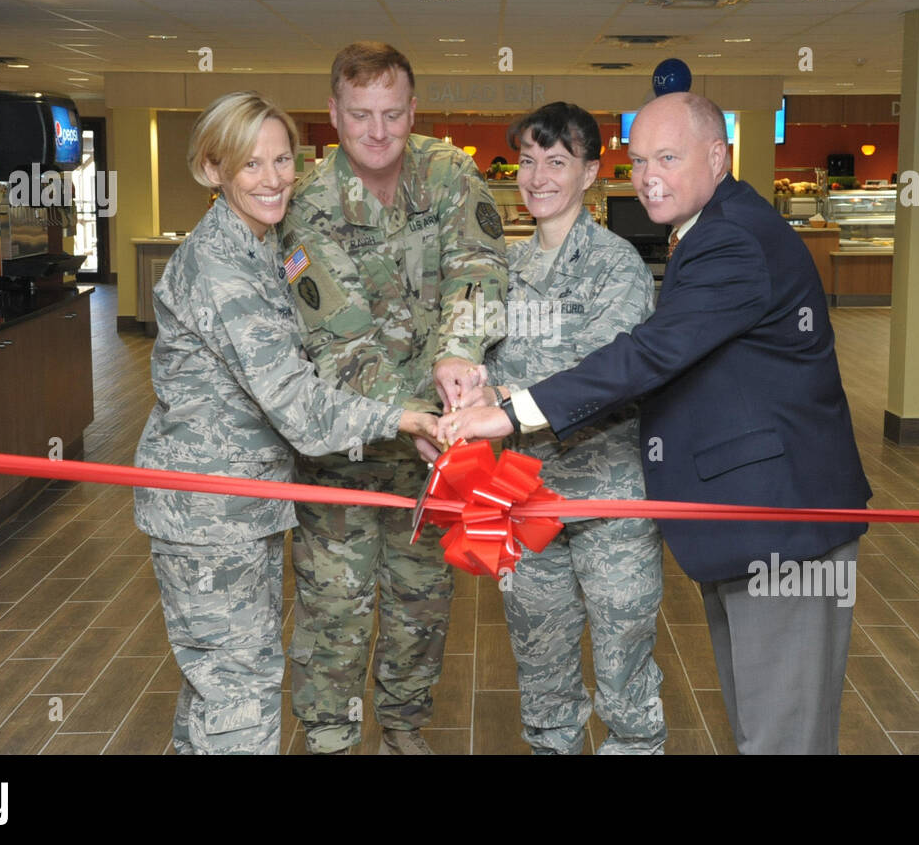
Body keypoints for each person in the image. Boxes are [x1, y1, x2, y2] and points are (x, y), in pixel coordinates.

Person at [443, 91, 872, 755]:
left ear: (718, 155)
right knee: (763, 726)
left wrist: (508, 414)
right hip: (742, 520)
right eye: (640, 160)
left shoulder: (730, 238)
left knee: (782, 734)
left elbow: (643, 358)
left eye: (667, 158)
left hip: (782, 526)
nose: (648, 176)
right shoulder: (713, 230)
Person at [134, 90, 440, 755]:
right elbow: (297, 403)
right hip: (211, 512)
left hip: (246, 505)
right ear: (213, 169)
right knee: (239, 691)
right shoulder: (219, 265)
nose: (274, 179)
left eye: (283, 161)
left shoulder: (262, 244)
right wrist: (403, 414)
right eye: (252, 165)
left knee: (217, 684)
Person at [278, 42, 507, 755]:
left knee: (420, 608)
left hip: (434, 455)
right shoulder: (307, 205)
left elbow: (480, 262)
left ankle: (405, 729)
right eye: (360, 116)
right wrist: (417, 416)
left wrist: (460, 358)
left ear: (413, 110)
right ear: (333, 114)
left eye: (392, 114)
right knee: (334, 610)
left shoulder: (449, 171)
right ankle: (330, 738)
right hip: (344, 456)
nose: (377, 133)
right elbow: (341, 340)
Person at [470, 101, 663, 754]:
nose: (538, 176)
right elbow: (473, 363)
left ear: (590, 172)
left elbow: (608, 376)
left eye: (557, 161)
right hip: (523, 498)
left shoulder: (617, 268)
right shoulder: (501, 271)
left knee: (624, 668)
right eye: (527, 161)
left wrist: (503, 401)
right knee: (543, 667)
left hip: (608, 498)